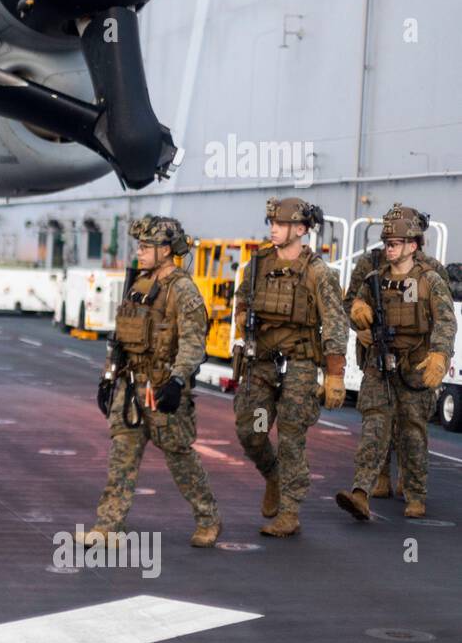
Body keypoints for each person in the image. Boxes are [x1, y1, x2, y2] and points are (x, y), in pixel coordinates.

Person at [83, 216, 222, 548]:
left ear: (166, 250)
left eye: (146, 247)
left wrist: (177, 381)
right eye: (140, 245)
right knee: (122, 455)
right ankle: (109, 526)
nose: (140, 252)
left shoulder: (183, 290)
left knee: (179, 455)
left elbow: (193, 343)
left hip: (162, 386)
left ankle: (208, 518)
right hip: (131, 386)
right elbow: (120, 336)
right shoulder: (138, 284)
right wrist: (107, 377)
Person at [233, 197, 349, 537]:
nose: (273, 228)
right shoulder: (258, 264)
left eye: (281, 223)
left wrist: (335, 374)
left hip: (298, 365)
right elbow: (242, 298)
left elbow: (336, 324)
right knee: (251, 432)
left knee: (291, 437)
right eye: (271, 222)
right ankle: (273, 475)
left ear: (300, 229)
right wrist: (242, 315)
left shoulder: (318, 272)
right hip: (262, 365)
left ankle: (289, 513)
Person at [336, 205, 456, 520]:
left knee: (412, 432)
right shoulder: (374, 278)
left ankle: (415, 494)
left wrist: (440, 355)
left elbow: (446, 321)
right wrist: (358, 315)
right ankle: (361, 491)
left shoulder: (430, 279)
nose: (388, 248)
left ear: (413, 245)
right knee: (374, 426)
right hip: (379, 365)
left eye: (395, 243)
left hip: (415, 367)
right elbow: (354, 304)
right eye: (387, 243)